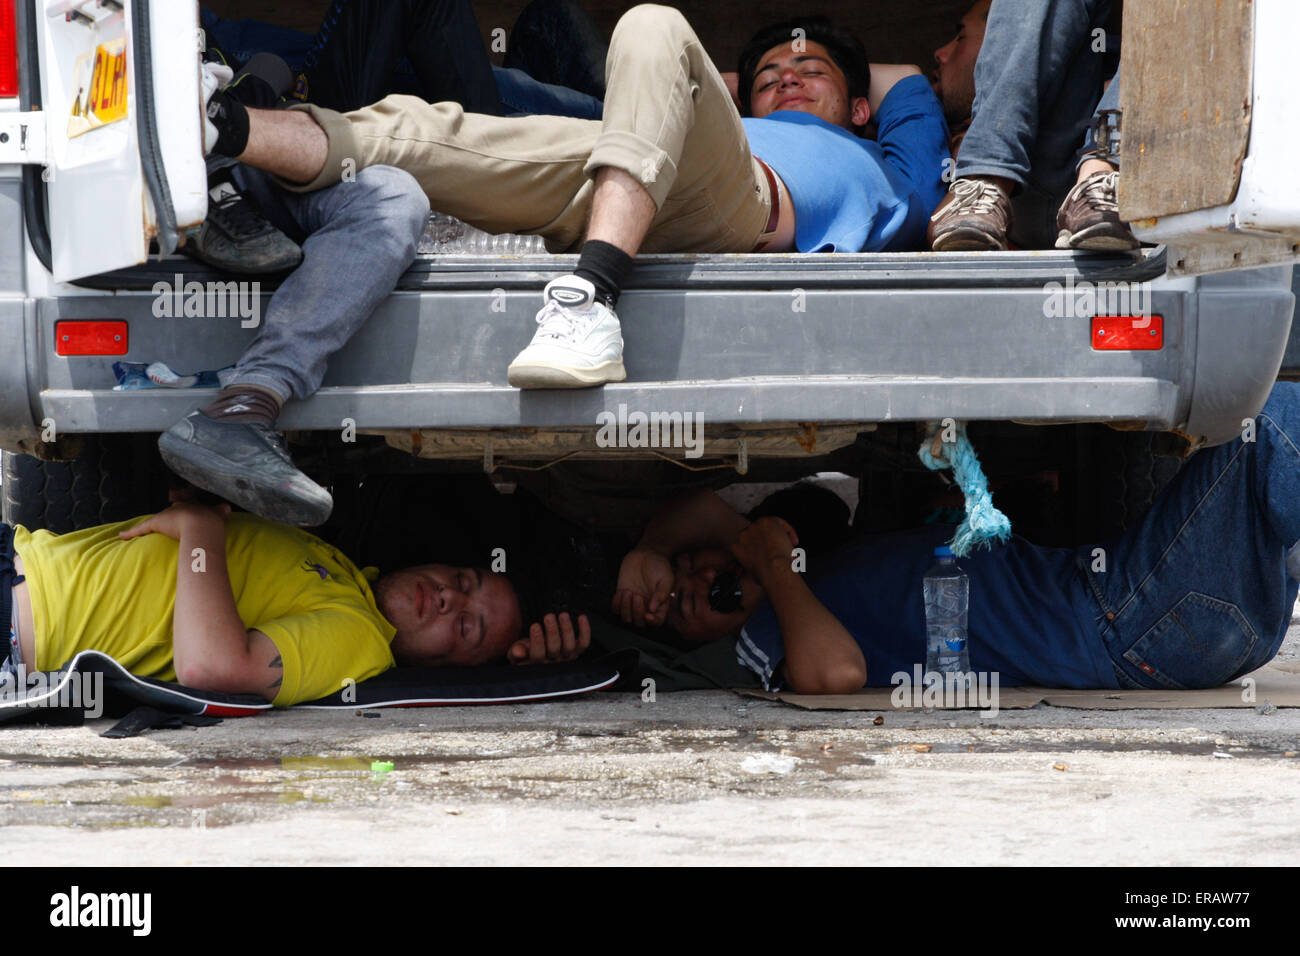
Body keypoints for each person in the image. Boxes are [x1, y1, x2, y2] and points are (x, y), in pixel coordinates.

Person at [201, 5, 949, 394]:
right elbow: (685, 94)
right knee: (431, 129)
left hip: (742, 202)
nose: (788, 78)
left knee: (652, 24)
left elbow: (910, 75)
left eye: (811, 70)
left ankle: (588, 301)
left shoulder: (889, 163)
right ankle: (216, 125)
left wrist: (754, 73)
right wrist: (738, 85)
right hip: (628, 177)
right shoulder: (733, 115)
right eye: (768, 74)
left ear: (859, 106)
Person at [611, 382, 1300, 694]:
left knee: (1265, 433)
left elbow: (702, 509)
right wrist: (767, 573)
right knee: (1265, 425)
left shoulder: (814, 580)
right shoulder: (771, 632)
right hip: (1133, 628)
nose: (700, 584)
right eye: (707, 600)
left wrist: (649, 554)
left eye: (701, 568)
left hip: (1175, 618)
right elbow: (837, 675)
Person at [0, 499, 589, 707]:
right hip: (21, 554)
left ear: (450, 670)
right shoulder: (342, 571)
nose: (446, 600)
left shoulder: (359, 639)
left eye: (465, 629)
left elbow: (214, 669)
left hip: (17, 627)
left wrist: (201, 531)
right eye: (462, 581)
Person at [927, 0, 1134, 251]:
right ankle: (984, 183)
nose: (939, 52)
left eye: (960, 37)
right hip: (1025, 195)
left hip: (1128, 192)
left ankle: (1099, 180)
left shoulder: (1101, 56)